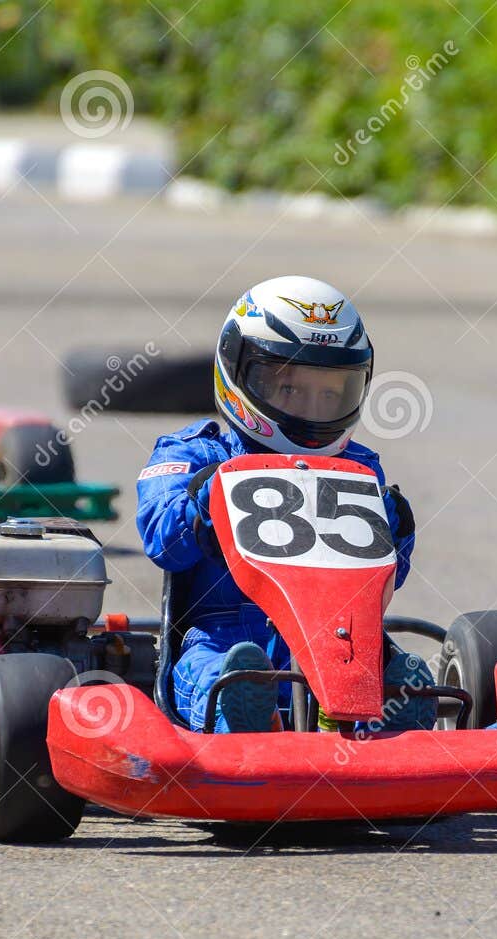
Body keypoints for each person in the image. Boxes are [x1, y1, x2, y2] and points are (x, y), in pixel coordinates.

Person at [136, 275, 433, 734]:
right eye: (291, 389)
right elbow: (162, 541)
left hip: (337, 639)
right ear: (239, 371)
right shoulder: (195, 455)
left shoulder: (356, 466)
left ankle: (375, 723)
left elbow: (381, 579)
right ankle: (249, 721)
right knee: (220, 671)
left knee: (374, 666)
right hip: (222, 632)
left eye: (330, 392)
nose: (313, 406)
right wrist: (203, 507)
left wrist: (395, 527)